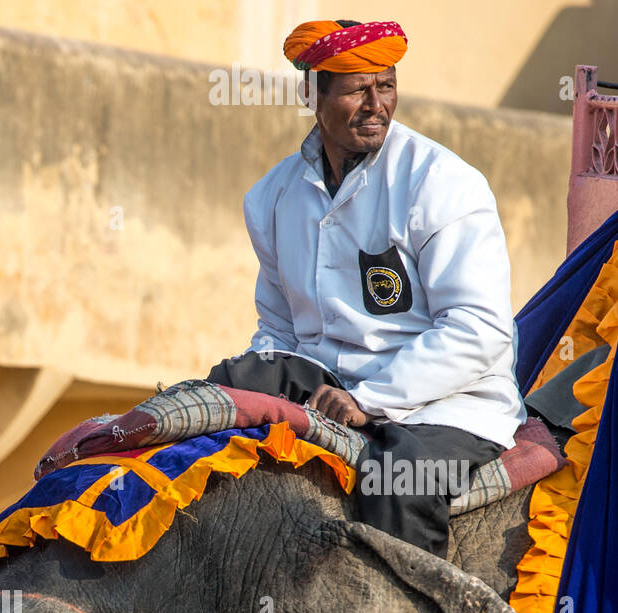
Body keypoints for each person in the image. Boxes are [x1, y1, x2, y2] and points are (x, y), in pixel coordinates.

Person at [209, 19, 526, 555]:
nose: (376, 104)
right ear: (312, 93)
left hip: (447, 401)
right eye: (358, 88)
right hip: (326, 378)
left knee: (398, 481)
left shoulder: (441, 183)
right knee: (224, 388)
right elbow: (280, 326)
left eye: (387, 85)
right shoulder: (271, 197)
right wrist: (254, 383)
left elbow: (480, 328)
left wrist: (368, 400)